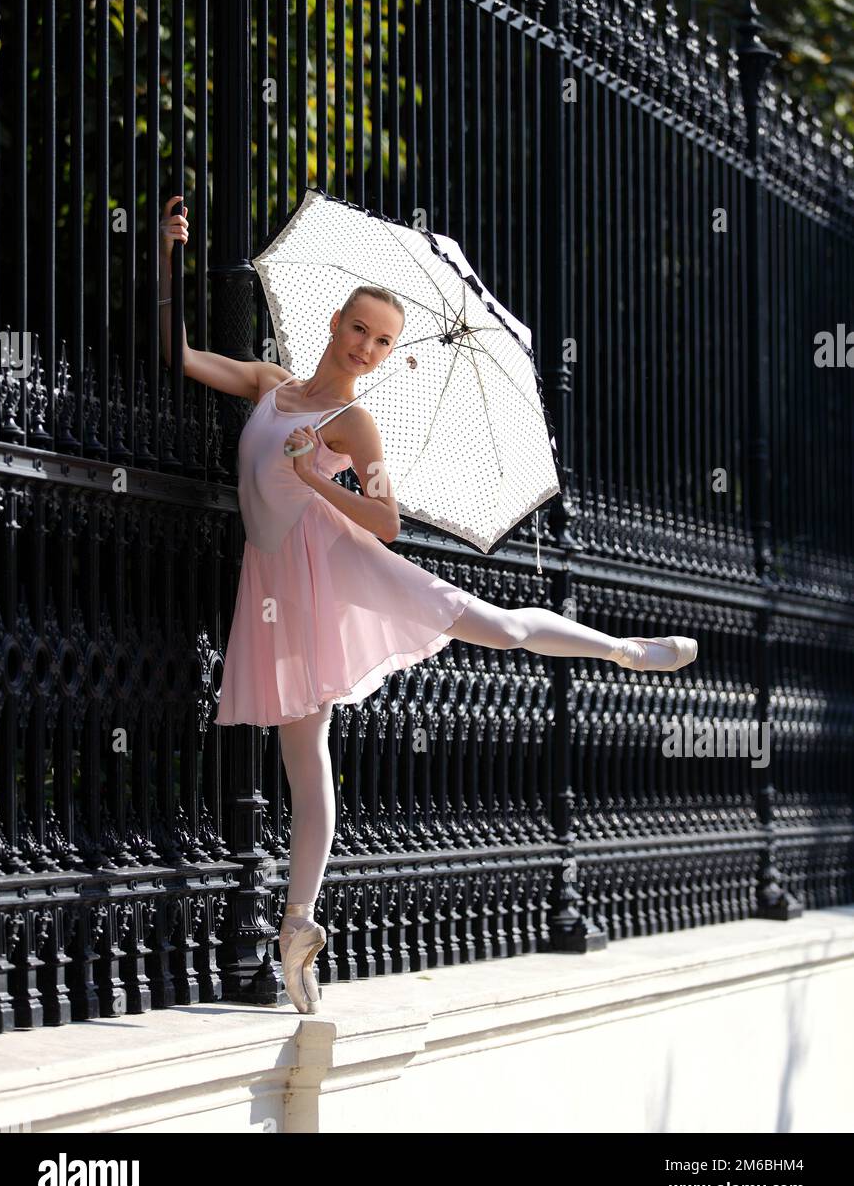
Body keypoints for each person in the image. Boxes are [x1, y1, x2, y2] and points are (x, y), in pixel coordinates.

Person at [159, 194, 698, 1013]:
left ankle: (625, 649)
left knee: (503, 628)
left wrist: (311, 474)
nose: (367, 348)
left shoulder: (355, 424)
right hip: (275, 582)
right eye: (359, 330)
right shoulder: (272, 384)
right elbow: (180, 354)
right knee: (304, 759)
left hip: (341, 565)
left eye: (382, 342)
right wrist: (166, 257)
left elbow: (386, 519)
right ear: (334, 320)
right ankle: (298, 926)